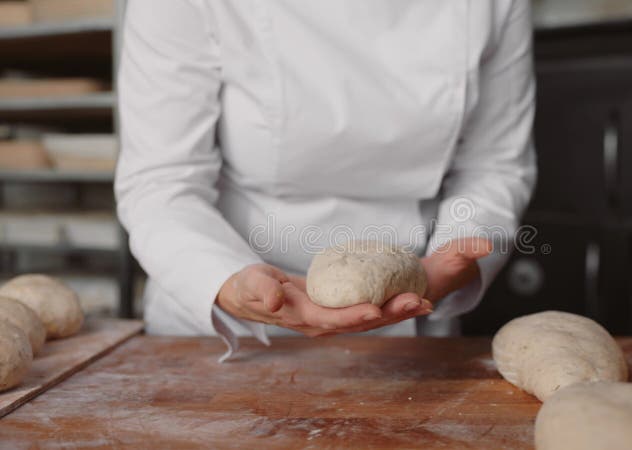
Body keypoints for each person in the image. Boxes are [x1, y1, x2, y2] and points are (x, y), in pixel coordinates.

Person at [115, 0, 536, 359]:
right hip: (227, 327)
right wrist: (224, 278)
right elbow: (161, 180)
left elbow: (494, 165)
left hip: (411, 319)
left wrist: (458, 252)